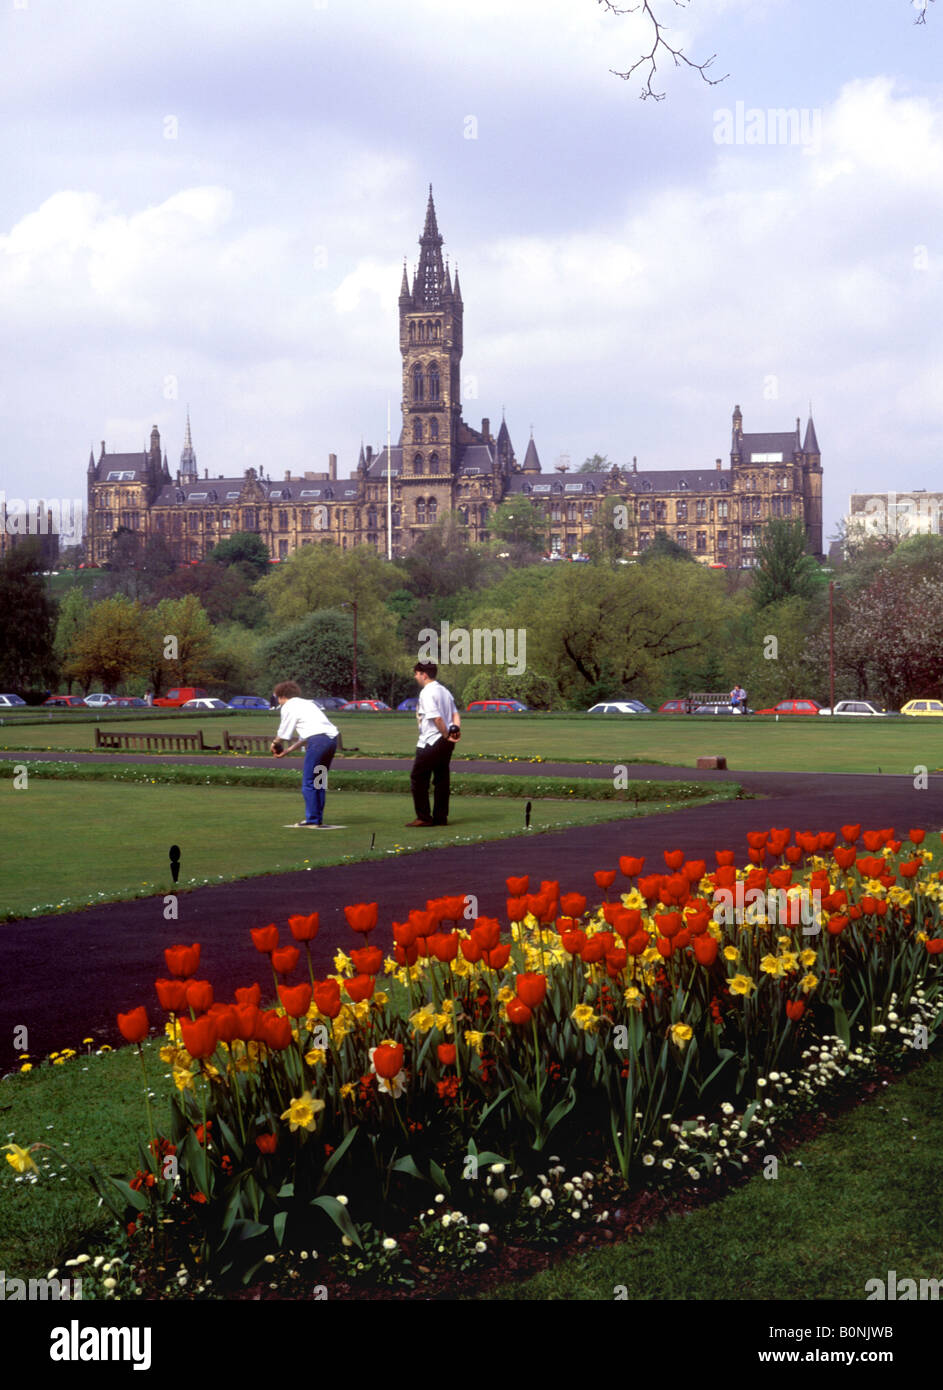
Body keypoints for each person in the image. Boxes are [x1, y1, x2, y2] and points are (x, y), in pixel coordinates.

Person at [270, 681, 340, 827]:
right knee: (319, 780)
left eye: (277, 697)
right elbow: (308, 735)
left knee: (309, 781)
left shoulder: (288, 706)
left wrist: (275, 743)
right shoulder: (308, 704)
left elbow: (284, 732)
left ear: (282, 696)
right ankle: (317, 819)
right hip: (331, 741)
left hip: (318, 743)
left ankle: (312, 820)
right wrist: (288, 751)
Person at [406, 661, 460, 827]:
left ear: (424, 674)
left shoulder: (427, 693)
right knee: (441, 779)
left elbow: (436, 718)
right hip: (446, 742)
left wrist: (445, 734)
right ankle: (440, 817)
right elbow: (455, 714)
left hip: (432, 741)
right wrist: (455, 733)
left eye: (416, 673)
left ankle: (424, 817)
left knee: (418, 777)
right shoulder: (444, 691)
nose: (415, 677)